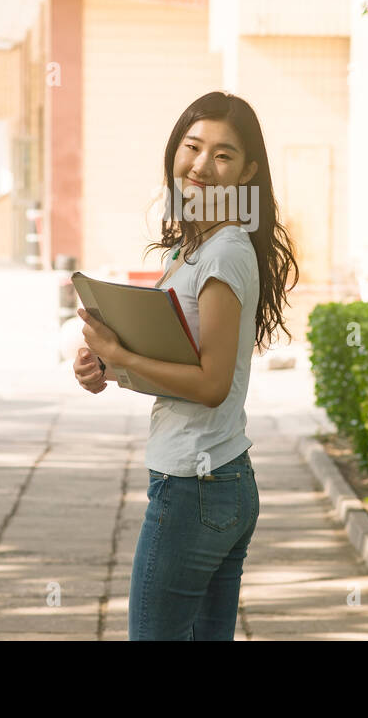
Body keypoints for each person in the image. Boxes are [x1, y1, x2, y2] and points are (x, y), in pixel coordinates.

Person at [73, 91, 298, 640]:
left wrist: (123, 356)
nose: (200, 165)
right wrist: (109, 366)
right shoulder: (191, 248)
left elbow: (212, 384)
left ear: (247, 170)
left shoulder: (222, 253)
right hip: (218, 480)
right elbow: (181, 360)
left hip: (196, 485)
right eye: (192, 146)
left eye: (222, 155)